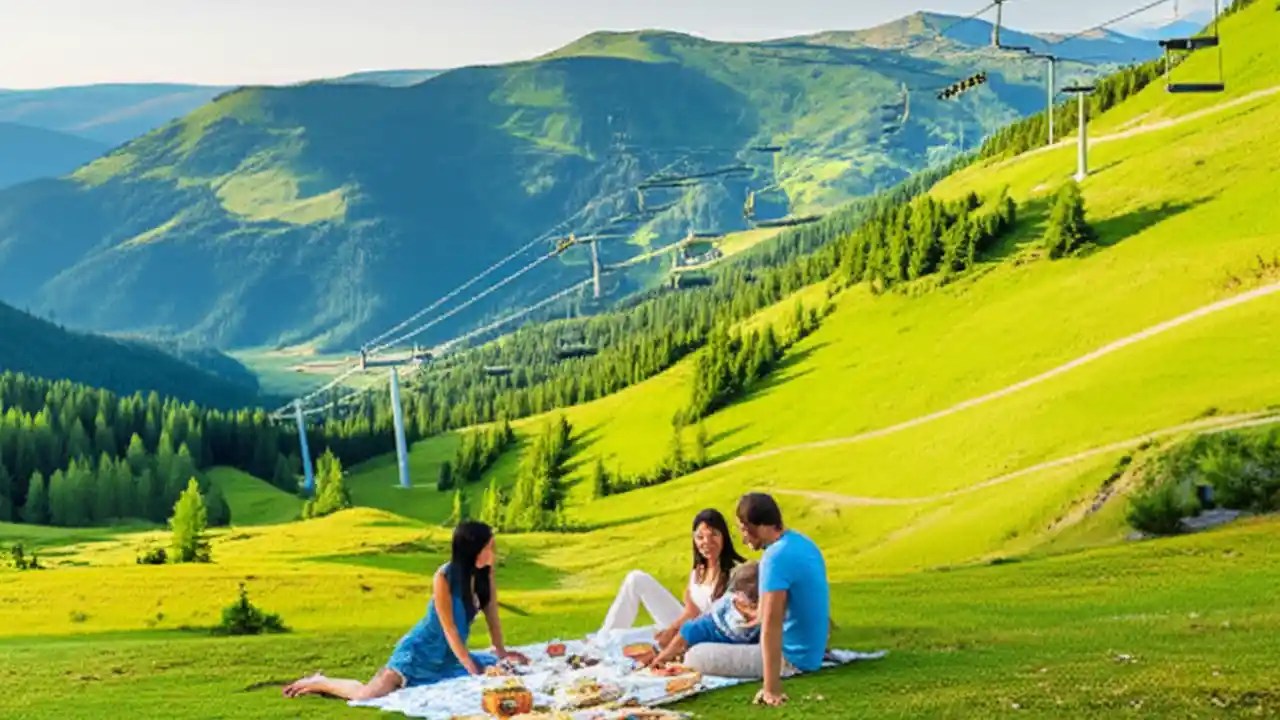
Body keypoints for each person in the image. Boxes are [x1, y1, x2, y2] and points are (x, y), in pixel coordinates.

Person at [282, 521, 529, 701]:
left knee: (500, 668)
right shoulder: (444, 577)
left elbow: (492, 617)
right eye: (489, 546)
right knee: (367, 695)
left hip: (449, 656)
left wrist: (500, 651)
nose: (493, 552)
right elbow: (450, 628)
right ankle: (320, 682)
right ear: (473, 549)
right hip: (419, 651)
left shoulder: (486, 575)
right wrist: (472, 668)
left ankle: (475, 661)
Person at [682, 493, 830, 708]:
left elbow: (771, 623)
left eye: (743, 529)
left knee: (694, 656)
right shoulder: (801, 543)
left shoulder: (775, 557)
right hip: (812, 651)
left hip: (793, 658)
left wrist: (771, 689)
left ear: (756, 526)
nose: (743, 538)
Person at [599, 508, 746, 647]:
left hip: (702, 633)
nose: (706, 542)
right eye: (700, 537)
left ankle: (605, 641)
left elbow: (708, 617)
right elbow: (690, 610)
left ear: (724, 537)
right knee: (636, 579)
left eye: (713, 534)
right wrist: (672, 627)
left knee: (624, 638)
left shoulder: (735, 572)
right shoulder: (698, 571)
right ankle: (602, 638)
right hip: (684, 623)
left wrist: (671, 630)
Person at [644, 561, 760, 669]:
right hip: (718, 631)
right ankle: (663, 657)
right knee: (690, 631)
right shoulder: (725, 611)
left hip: (747, 641)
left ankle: (667, 654)